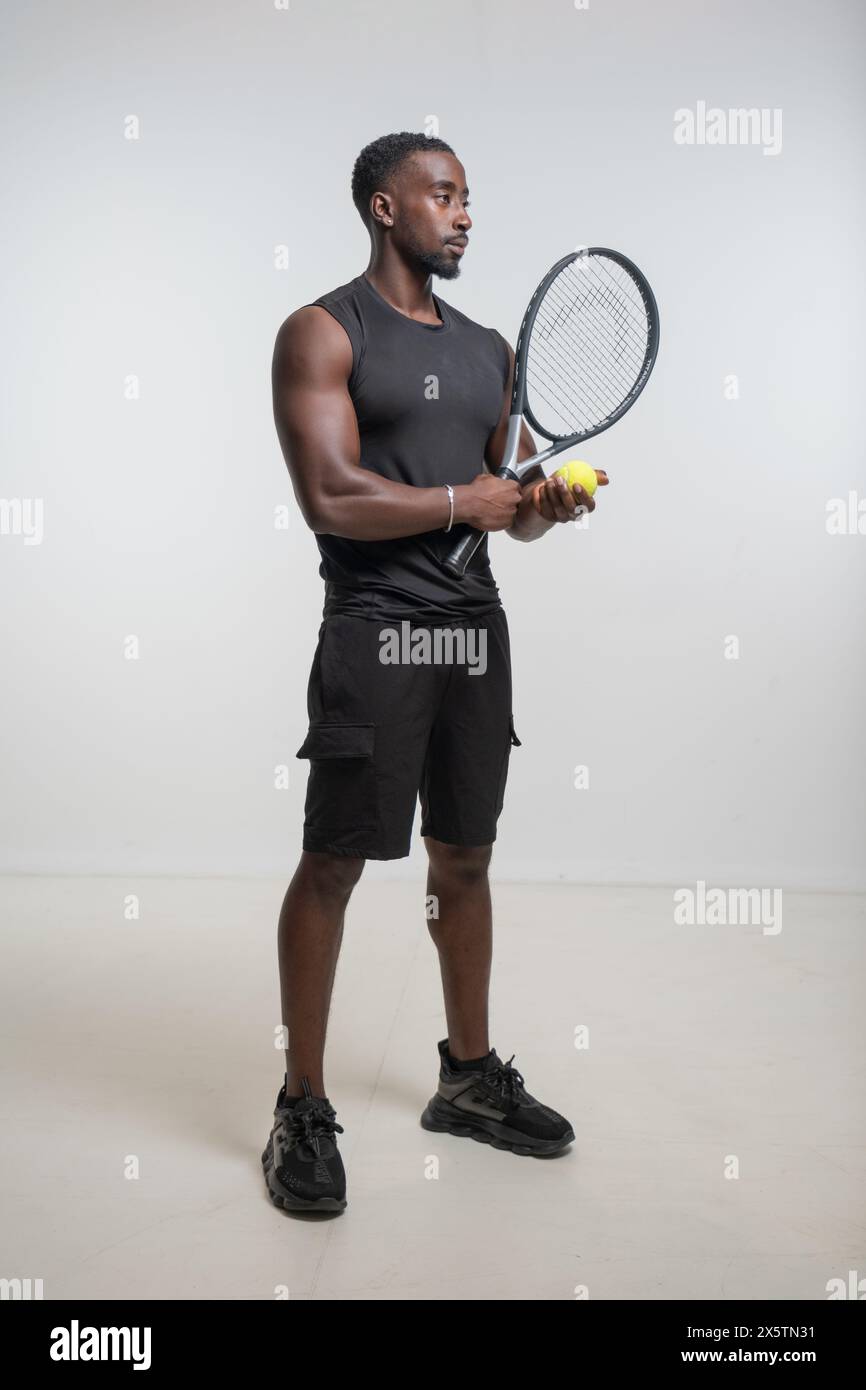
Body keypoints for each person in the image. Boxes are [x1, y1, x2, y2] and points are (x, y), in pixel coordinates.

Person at [263, 131, 607, 1213]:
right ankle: (301, 1104)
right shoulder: (322, 332)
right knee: (333, 862)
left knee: (464, 859)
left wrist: (543, 509)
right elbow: (330, 493)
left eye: (467, 199)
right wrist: (467, 501)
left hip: (471, 630)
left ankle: (466, 1076)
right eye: (443, 195)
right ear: (382, 207)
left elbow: (511, 512)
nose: (463, 215)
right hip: (373, 628)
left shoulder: (489, 347)